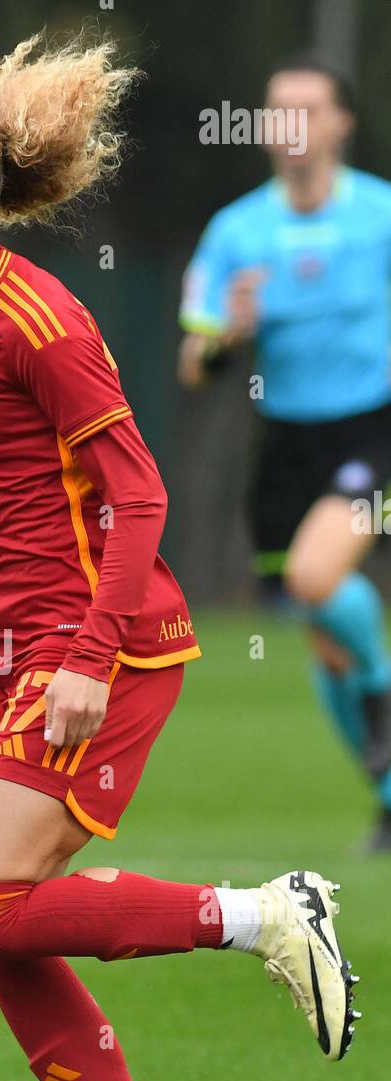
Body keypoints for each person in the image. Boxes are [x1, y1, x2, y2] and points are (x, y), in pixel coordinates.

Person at [0, 29, 357, 1081]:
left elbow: (137, 499)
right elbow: (17, 508)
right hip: (4, 646)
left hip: (106, 645)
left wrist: (85, 656)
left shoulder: (41, 321)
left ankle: (265, 916)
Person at [179, 52, 391, 852]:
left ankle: (385, 704)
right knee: (330, 647)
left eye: (308, 109)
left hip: (376, 431)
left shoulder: (382, 215)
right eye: (276, 111)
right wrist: (228, 335)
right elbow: (193, 365)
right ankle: (390, 795)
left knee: (315, 576)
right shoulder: (237, 232)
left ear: (341, 124)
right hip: (287, 447)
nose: (290, 127)